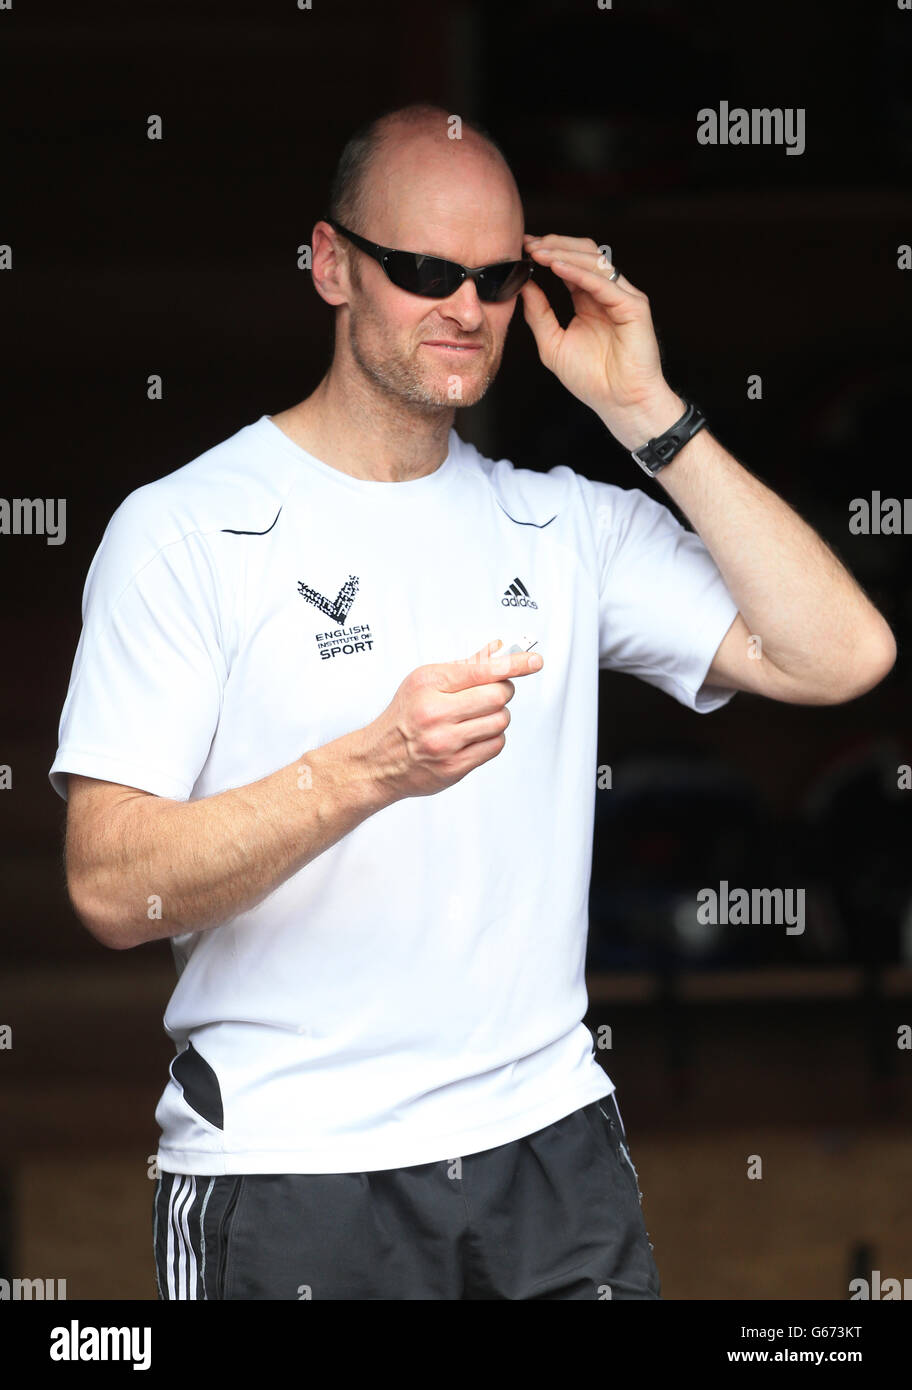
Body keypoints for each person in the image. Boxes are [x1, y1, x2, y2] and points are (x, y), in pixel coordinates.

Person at [49, 102, 895, 1300]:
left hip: (550, 1155)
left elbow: (840, 654)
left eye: (495, 279)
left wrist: (644, 410)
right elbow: (106, 884)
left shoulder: (563, 524)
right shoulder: (186, 529)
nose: (465, 307)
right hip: (293, 1170)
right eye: (423, 270)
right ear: (331, 263)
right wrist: (369, 766)